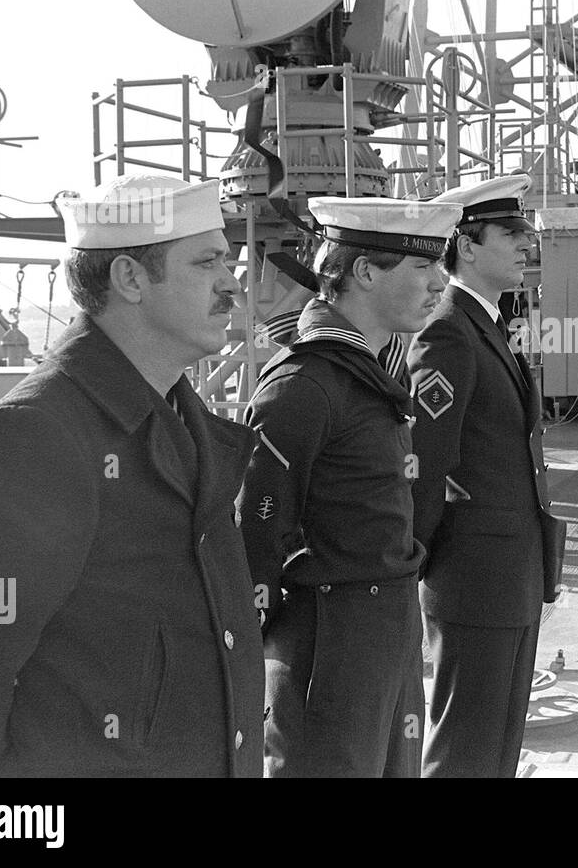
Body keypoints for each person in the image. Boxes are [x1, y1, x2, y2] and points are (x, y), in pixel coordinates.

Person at [0, 174, 264, 776]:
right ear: (130, 278)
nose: (231, 283)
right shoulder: (38, 435)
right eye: (207, 262)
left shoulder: (182, 422)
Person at [237, 198, 462, 777]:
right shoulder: (304, 386)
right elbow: (257, 533)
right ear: (364, 271)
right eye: (423, 266)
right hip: (330, 648)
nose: (440, 282)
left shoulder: (367, 371)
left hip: (384, 631)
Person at [408, 173, 554, 778]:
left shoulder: (487, 323)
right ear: (466, 245)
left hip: (508, 573)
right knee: (466, 746)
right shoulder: (449, 330)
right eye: (510, 232)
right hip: (473, 576)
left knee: (498, 743)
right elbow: (425, 463)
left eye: (526, 231)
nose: (526, 243)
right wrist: (419, 561)